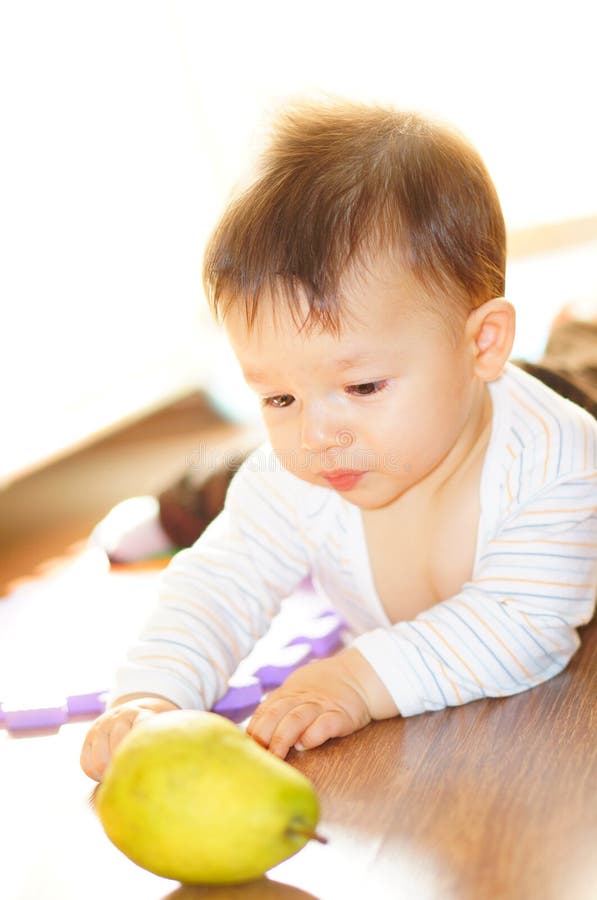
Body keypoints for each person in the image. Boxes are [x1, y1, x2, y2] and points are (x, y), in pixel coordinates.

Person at [81, 101, 597, 782]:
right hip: (411, 427)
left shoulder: (556, 460)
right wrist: (153, 694)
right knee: (246, 477)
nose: (317, 433)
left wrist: (355, 680)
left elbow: (520, 627)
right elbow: (220, 583)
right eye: (276, 397)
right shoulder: (313, 456)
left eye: (361, 387)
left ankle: (577, 325)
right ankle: (179, 501)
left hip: (560, 391)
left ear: (481, 342)